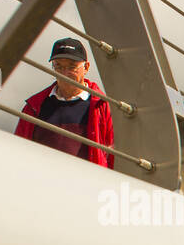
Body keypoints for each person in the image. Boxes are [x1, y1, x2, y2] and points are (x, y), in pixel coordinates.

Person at [14, 37, 114, 168]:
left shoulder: (101, 106)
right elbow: (18, 150)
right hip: (41, 182)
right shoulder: (34, 107)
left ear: (86, 67)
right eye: (58, 66)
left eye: (72, 67)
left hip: (85, 184)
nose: (65, 73)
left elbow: (113, 156)